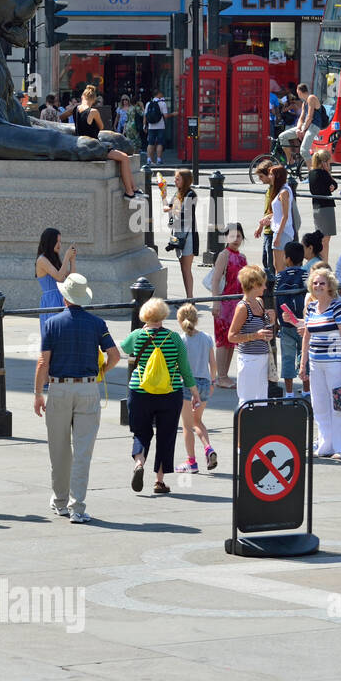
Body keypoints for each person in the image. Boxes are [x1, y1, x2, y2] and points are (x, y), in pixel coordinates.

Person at [33, 273, 120, 523]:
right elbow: (114, 356)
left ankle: (60, 501)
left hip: (59, 388)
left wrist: (38, 393)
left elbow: (43, 362)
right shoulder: (97, 323)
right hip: (88, 389)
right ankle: (77, 507)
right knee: (83, 451)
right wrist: (100, 372)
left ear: (64, 297)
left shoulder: (52, 324)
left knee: (58, 449)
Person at [120, 298, 199, 495]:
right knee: (166, 435)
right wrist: (194, 391)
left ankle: (139, 463)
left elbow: (124, 347)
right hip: (169, 393)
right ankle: (159, 481)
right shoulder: (174, 338)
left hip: (140, 391)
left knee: (141, 432)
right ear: (163, 316)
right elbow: (185, 368)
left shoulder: (137, 335)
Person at [301, 267, 341, 459]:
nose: (318, 286)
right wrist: (303, 363)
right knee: (320, 404)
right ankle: (326, 445)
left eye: (322, 283)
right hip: (316, 363)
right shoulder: (312, 307)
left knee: (339, 404)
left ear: (329, 285)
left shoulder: (338, 306)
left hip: (336, 363)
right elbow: (306, 336)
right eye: (315, 283)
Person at [75, 86, 140, 198]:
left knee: (122, 156)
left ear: (82, 97)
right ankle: (129, 192)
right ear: (93, 99)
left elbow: (62, 116)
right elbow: (101, 126)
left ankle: (134, 188)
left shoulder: (75, 109)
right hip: (93, 145)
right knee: (124, 157)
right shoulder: (93, 111)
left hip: (82, 143)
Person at [174, 304, 217, 474]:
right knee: (197, 420)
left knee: (187, 425)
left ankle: (191, 461)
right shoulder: (206, 338)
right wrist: (213, 381)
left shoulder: (181, 340)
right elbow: (212, 364)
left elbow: (178, 365)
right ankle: (208, 448)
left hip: (187, 383)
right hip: (205, 383)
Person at [228, 264, 276, 404]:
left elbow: (264, 330)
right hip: (248, 359)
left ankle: (258, 425)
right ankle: (243, 425)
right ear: (254, 284)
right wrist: (256, 335)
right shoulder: (243, 307)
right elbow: (231, 336)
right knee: (246, 400)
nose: (265, 287)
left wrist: (271, 322)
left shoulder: (259, 302)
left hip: (262, 357)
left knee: (261, 399)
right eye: (263, 284)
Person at [210, 224, 248, 389]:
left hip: (237, 304)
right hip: (225, 302)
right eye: (232, 236)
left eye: (239, 236)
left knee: (231, 340)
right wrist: (216, 301)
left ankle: (224, 376)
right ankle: (221, 376)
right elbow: (216, 279)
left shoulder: (242, 257)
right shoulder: (223, 255)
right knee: (222, 340)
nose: (236, 240)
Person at [274, 241, 309, 397]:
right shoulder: (306, 274)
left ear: (287, 259)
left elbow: (275, 301)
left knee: (288, 357)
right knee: (305, 356)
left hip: (286, 324)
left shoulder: (279, 277)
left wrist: (276, 322)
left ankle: (289, 392)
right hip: (304, 324)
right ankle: (307, 390)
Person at [36, 228, 76, 338]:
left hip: (62, 297)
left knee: (65, 333)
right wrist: (66, 258)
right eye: (57, 242)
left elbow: (72, 278)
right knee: (54, 334)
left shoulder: (54, 259)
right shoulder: (42, 260)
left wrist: (72, 260)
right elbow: (59, 277)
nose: (59, 245)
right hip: (51, 300)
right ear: (50, 242)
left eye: (60, 242)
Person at [165, 169, 199, 298]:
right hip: (177, 234)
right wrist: (171, 222)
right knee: (182, 268)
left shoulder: (191, 194)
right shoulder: (177, 193)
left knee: (186, 268)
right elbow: (170, 210)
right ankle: (188, 297)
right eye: (175, 178)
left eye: (177, 178)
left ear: (185, 180)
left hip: (188, 235)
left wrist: (171, 209)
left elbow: (186, 214)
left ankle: (190, 298)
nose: (175, 181)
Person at [308, 149, 337, 249]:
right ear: (324, 162)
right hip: (326, 207)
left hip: (316, 206)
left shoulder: (311, 173)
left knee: (321, 236)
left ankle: (320, 261)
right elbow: (333, 183)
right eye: (328, 161)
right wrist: (327, 171)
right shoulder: (323, 173)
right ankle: (324, 261)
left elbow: (333, 185)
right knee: (325, 238)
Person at [143, 89, 170, 165]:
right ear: (159, 94)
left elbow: (145, 116)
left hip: (151, 127)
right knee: (160, 143)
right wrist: (173, 114)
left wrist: (144, 125)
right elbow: (166, 116)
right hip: (160, 126)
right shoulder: (162, 103)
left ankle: (149, 159)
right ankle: (159, 159)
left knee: (150, 143)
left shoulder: (148, 103)